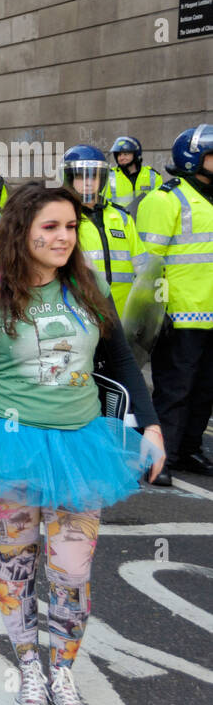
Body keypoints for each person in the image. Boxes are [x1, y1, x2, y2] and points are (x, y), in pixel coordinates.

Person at [0, 181, 164, 705]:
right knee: (18, 566)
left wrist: (153, 427)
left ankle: (64, 674)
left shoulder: (90, 289)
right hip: (10, 443)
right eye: (50, 226)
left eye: (71, 227)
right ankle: (29, 667)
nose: (63, 237)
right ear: (21, 231)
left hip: (80, 446)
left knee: (71, 572)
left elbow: (121, 363)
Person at [135, 125, 213, 485]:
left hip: (210, 315)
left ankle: (188, 450)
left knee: (204, 390)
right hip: (180, 316)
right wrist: (153, 313)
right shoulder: (165, 199)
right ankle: (157, 457)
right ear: (193, 159)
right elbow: (145, 264)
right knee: (174, 390)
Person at [63, 145, 142, 312]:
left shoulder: (121, 217)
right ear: (69, 179)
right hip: (79, 309)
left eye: (94, 177)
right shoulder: (62, 218)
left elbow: (142, 266)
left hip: (123, 311)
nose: (88, 183)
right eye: (80, 177)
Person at [106, 136, 163, 213]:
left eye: (126, 154)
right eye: (119, 155)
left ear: (136, 154)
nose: (121, 158)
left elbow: (160, 204)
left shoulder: (153, 176)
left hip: (146, 222)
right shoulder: (109, 176)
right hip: (120, 223)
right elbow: (105, 204)